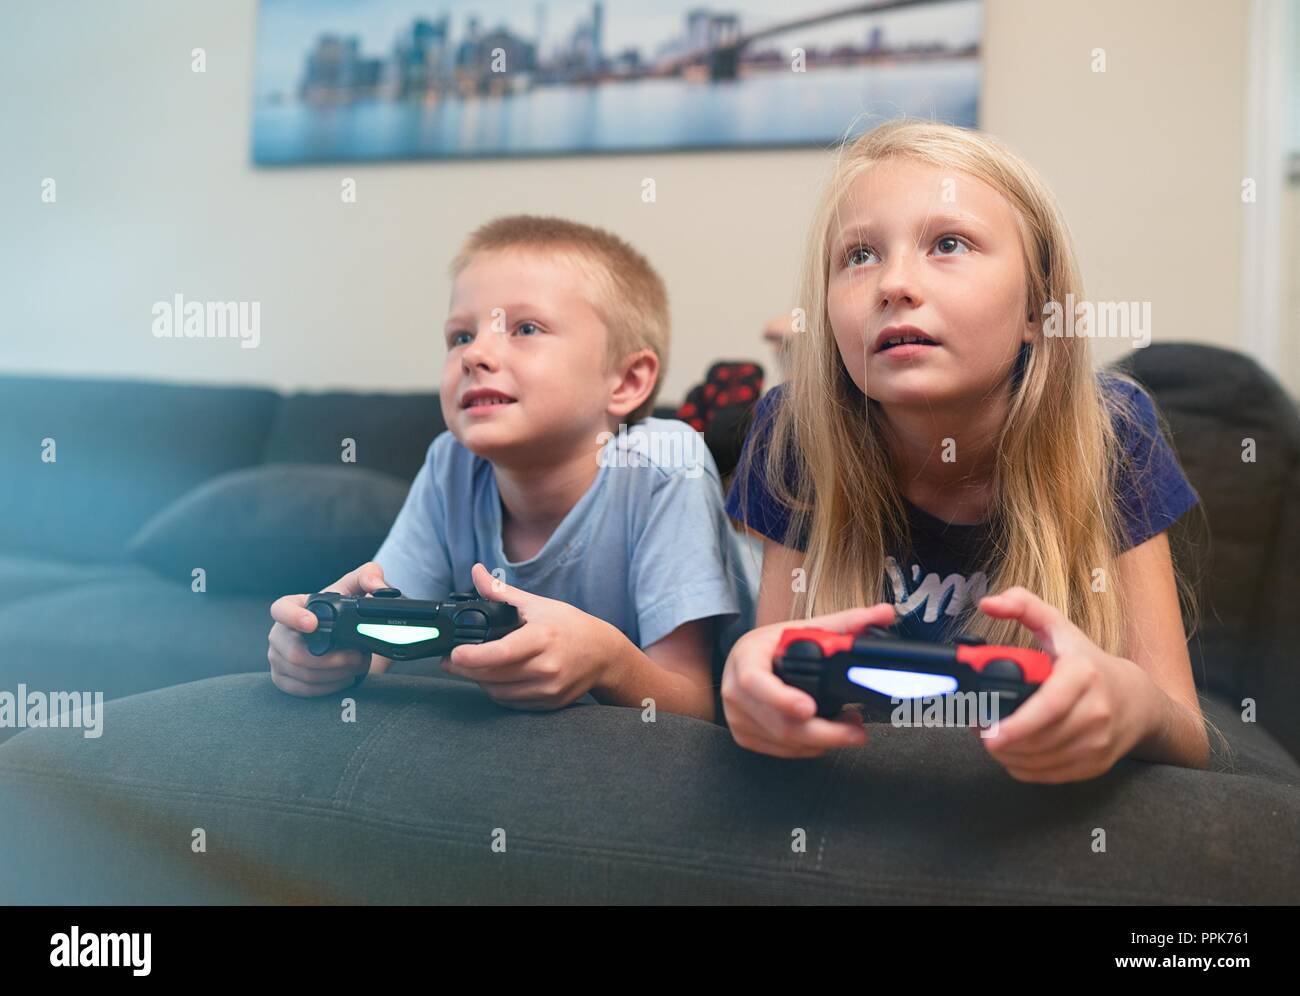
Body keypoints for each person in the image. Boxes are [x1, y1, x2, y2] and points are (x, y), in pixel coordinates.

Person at [722, 119, 1214, 781]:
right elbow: (775, 656)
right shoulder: (793, 432)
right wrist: (749, 682)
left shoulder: (1115, 430)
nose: (892, 284)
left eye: (948, 243)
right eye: (859, 256)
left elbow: (1186, 731)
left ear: (1038, 310)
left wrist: (1130, 704)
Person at [269, 214, 754, 722]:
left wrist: (608, 661)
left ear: (627, 380)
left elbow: (694, 708)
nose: (476, 354)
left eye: (525, 328)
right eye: (460, 336)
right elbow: (384, 642)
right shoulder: (449, 464)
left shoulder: (665, 466)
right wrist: (323, 652)